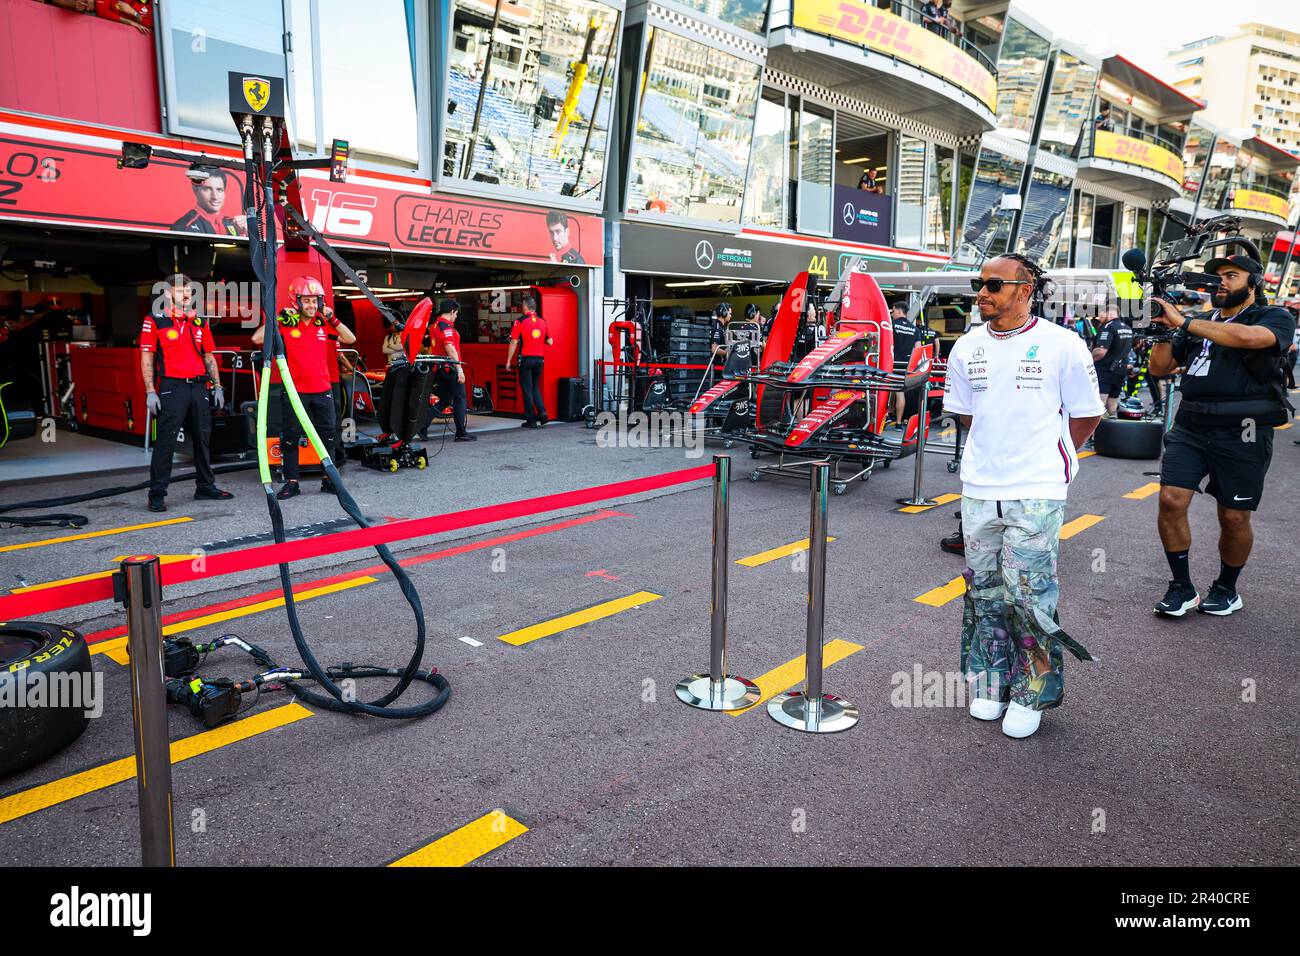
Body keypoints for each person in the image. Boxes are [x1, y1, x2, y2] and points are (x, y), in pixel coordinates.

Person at [942, 254, 1104, 738]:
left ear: (1026, 287)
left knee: (1027, 594)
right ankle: (990, 682)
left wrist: (1048, 458)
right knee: (985, 590)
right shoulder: (966, 347)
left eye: (994, 283)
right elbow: (968, 415)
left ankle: (1032, 691)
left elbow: (1086, 415)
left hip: (1037, 488)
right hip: (979, 488)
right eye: (979, 283)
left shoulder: (1063, 345)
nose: (982, 291)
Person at [1147, 254, 1296, 617]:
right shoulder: (1196, 323)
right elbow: (1159, 367)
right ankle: (1182, 587)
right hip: (1191, 426)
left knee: (1233, 516)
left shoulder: (1273, 316)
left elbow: (1247, 338)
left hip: (1244, 431)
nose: (1222, 283)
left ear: (1254, 282)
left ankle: (1227, 588)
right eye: (1218, 278)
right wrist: (1167, 331)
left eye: (1232, 276)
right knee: (1171, 499)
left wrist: (1185, 322)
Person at [252, 276, 356, 498]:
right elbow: (257, 338)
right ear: (296, 301)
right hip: (294, 391)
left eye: (315, 300)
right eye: (307, 301)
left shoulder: (323, 324)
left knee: (328, 434)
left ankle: (329, 479)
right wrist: (278, 318)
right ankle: (292, 482)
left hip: (323, 390)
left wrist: (332, 318)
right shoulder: (287, 324)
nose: (312, 305)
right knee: (290, 436)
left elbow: (350, 339)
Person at [139, 274, 233, 512]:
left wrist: (218, 386)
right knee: (166, 441)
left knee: (202, 439)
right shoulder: (155, 319)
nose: (187, 293)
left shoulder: (198, 321)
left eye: (190, 290)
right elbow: (147, 356)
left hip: (200, 386)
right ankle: (157, 494)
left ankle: (205, 486)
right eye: (181, 290)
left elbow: (209, 356)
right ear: (168, 293)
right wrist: (150, 390)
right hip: (173, 387)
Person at [429, 297, 475, 442]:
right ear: (451, 311)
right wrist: (460, 370)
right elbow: (451, 349)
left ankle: (421, 427)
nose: (456, 317)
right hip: (450, 369)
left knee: (444, 400)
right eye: (456, 314)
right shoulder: (446, 327)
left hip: (440, 369)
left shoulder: (435, 325)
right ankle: (461, 433)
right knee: (460, 400)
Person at [506, 295, 553, 428]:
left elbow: (514, 341)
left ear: (525, 306)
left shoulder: (520, 321)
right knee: (535, 386)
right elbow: (550, 341)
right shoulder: (543, 321)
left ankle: (531, 420)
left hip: (526, 359)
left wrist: (508, 360)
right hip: (539, 359)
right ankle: (543, 414)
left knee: (527, 389)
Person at [171, 169, 247, 237]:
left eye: (219, 190)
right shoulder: (185, 225)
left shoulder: (232, 223)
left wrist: (245, 234)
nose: (215, 197)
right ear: (195, 190)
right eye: (207, 189)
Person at [1091, 305, 1132, 417]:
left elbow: (1101, 351)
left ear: (1108, 313)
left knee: (1099, 405)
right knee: (1112, 404)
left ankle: (1095, 434)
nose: (1099, 317)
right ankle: (1111, 431)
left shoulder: (1108, 327)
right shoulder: (1127, 328)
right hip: (1120, 370)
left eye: (1101, 314)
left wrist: (1088, 360)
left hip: (1105, 370)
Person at [889, 301, 917, 425]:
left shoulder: (892, 325)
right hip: (906, 365)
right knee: (899, 392)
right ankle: (896, 420)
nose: (892, 314)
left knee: (891, 392)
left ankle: (894, 420)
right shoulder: (915, 329)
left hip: (892, 363)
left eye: (893, 311)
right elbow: (918, 349)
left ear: (899, 311)